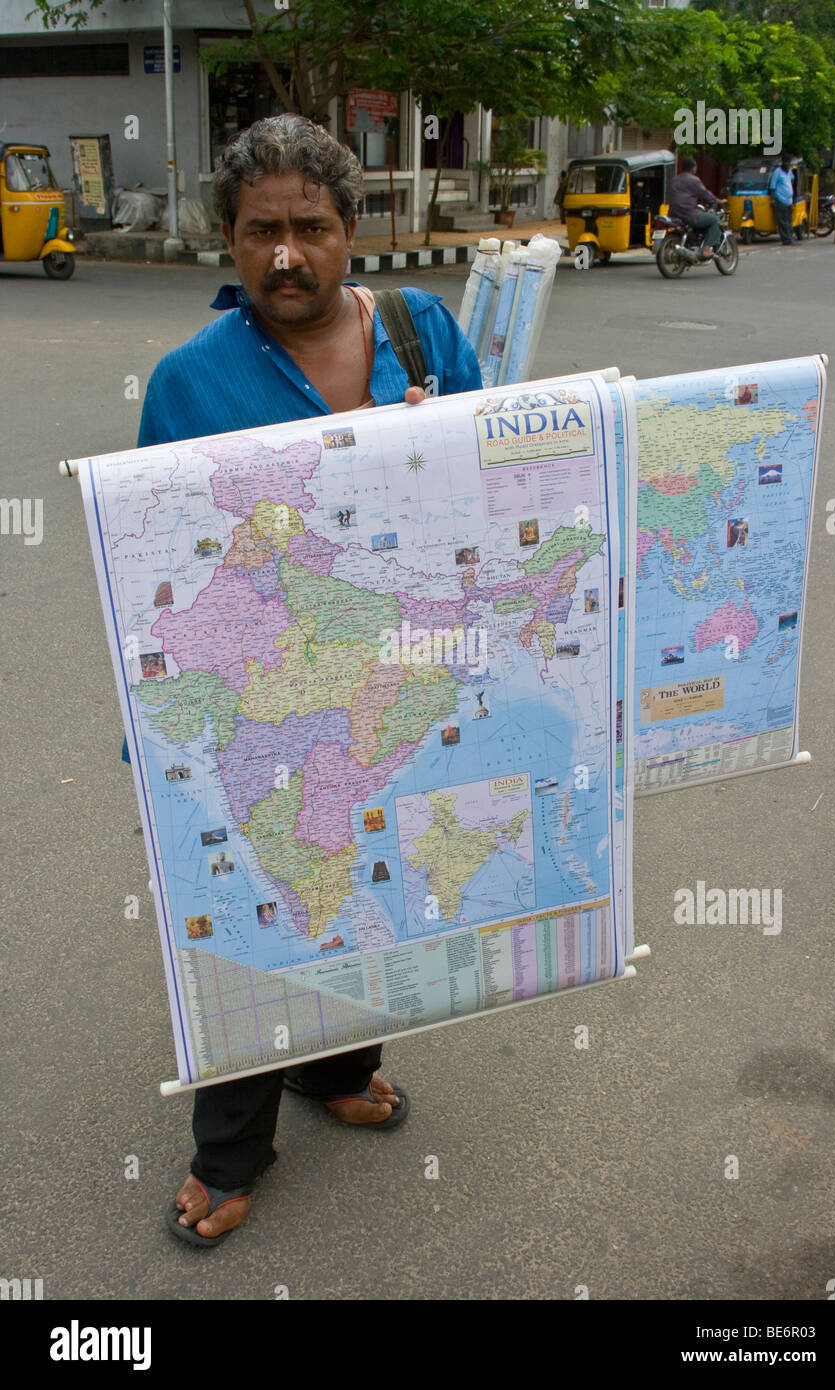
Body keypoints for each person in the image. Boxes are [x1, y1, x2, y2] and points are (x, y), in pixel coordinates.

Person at [136, 113, 482, 1246]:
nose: (287, 255)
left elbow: (497, 474)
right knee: (257, 909)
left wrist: (445, 447)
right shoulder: (189, 383)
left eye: (311, 229)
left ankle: (336, 1065)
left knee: (365, 869)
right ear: (228, 244)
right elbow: (150, 563)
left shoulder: (423, 333)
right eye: (260, 232)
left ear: (352, 233)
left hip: (390, 673)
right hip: (257, 694)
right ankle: (228, 1153)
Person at [669, 156, 721, 259]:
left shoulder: (675, 179)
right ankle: (706, 249)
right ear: (693, 168)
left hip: (674, 214)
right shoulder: (693, 180)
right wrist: (718, 200)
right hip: (689, 214)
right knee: (714, 220)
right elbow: (705, 194)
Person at [768, 155, 795, 245]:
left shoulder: (789, 172)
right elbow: (772, 186)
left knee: (789, 221)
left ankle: (790, 238)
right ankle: (786, 240)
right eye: (786, 162)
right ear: (782, 162)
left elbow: (792, 180)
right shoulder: (777, 172)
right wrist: (772, 199)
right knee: (782, 221)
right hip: (780, 199)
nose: (788, 164)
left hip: (789, 200)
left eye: (789, 162)